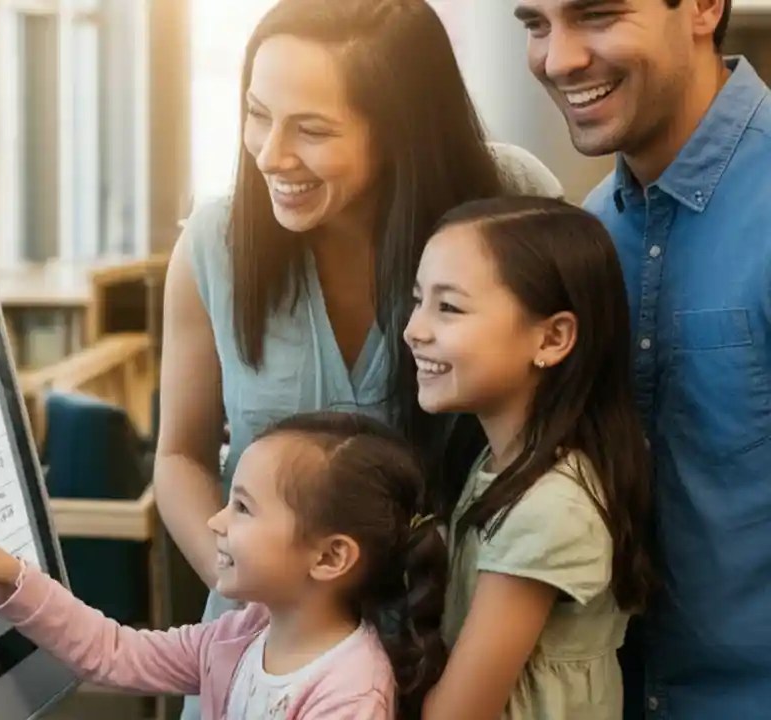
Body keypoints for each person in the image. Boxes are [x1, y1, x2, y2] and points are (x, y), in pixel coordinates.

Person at [155, 3, 561, 714]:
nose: (272, 154)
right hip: (267, 660)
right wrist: (261, 599)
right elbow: (180, 458)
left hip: (451, 657)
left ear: (400, 129)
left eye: (311, 129)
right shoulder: (214, 244)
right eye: (257, 114)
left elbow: (560, 435)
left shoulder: (510, 202)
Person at [513, 0, 771, 715]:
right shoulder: (589, 235)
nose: (558, 58)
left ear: (702, 7)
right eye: (535, 25)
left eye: (596, 14)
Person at [0, 412, 446, 720]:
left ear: (330, 557)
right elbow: (116, 652)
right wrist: (16, 579)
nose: (217, 520)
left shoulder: (352, 689)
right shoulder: (243, 635)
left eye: (243, 507)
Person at [403, 197, 655, 719]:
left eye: (448, 307)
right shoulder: (497, 469)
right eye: (417, 299)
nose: (415, 329)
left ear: (553, 336)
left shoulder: (550, 506)